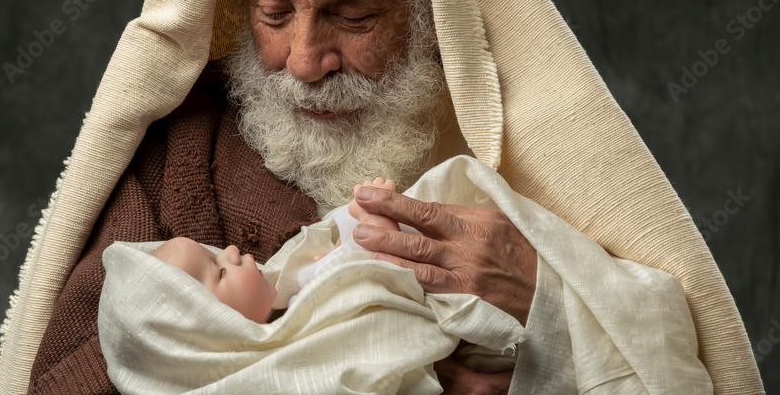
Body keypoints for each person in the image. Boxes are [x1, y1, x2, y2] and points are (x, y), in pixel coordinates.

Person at [0, 0, 764, 395]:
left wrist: (545, 305)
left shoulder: (517, 156)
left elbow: (671, 358)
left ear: (429, 16)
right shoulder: (181, 156)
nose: (304, 60)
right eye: (271, 11)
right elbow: (68, 378)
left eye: (351, 14)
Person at [96, 162, 712, 394]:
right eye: (274, 12)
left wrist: (362, 220)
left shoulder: (295, 287)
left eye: (353, 15)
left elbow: (348, 257)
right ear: (213, 336)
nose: (231, 250)